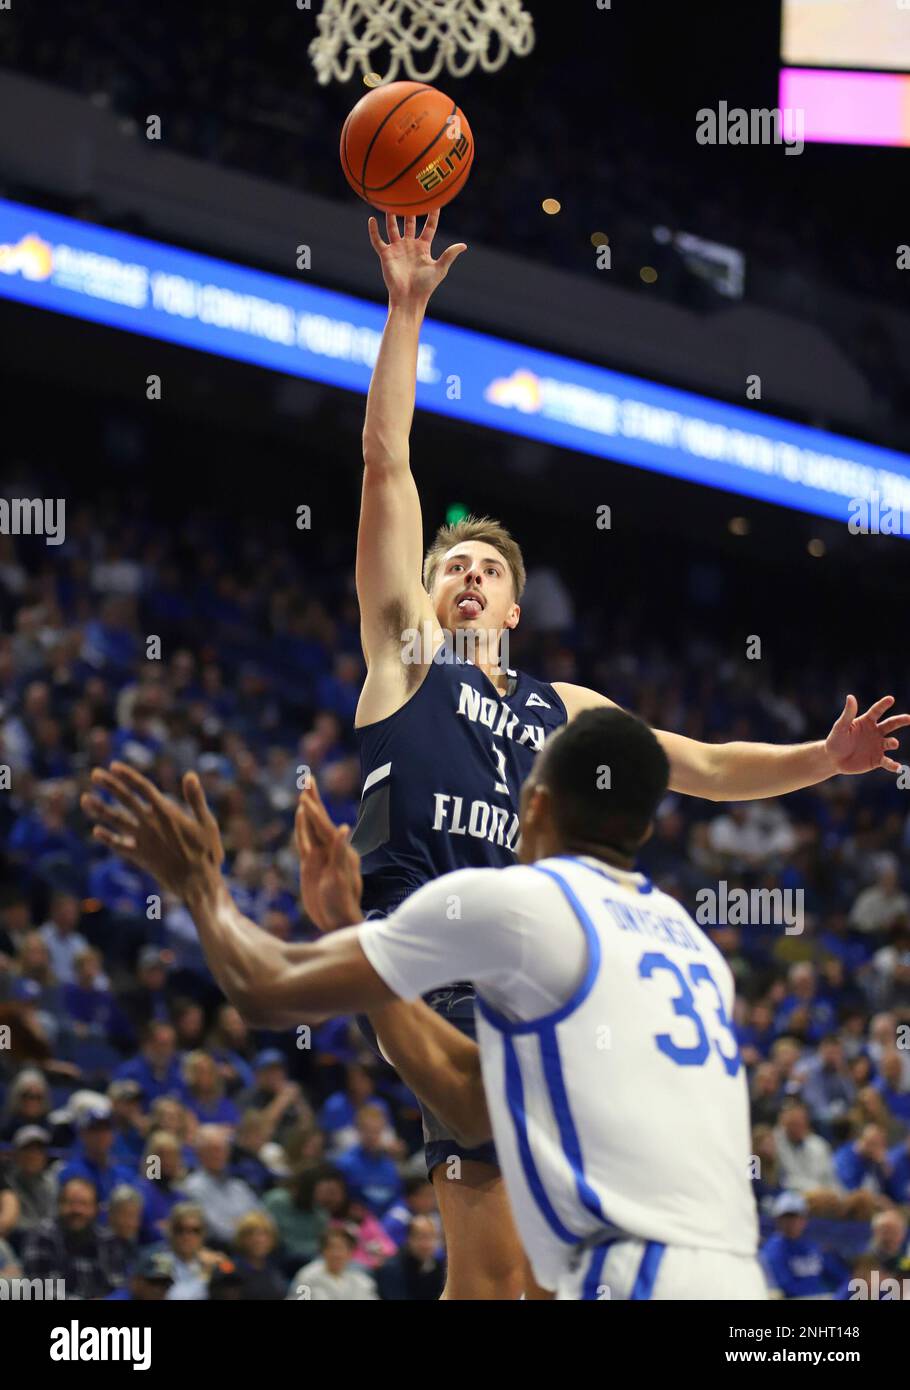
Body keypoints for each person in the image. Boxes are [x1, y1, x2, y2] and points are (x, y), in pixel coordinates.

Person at [339, 205, 910, 1296]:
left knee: (501, 1274)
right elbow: (383, 463)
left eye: (484, 571)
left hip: (542, 974)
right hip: (435, 967)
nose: (461, 576)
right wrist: (405, 309)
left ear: (512, 604)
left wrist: (821, 759)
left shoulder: (567, 707)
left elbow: (700, 764)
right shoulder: (407, 658)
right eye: (448, 562)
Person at [84, 707, 768, 1299]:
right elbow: (474, 1102)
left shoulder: (520, 901)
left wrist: (202, 886)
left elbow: (266, 991)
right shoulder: (696, 946)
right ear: (642, 831)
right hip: (742, 1279)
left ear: (533, 804)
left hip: (628, 1274)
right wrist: (352, 928)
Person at [760, 1192, 842, 1299]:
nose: (792, 1222)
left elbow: (839, 1275)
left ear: (804, 1220)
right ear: (778, 1220)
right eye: (787, 1217)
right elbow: (787, 1288)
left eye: (797, 1216)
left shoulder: (812, 1246)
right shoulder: (772, 1250)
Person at [287, 1225, 378, 1302]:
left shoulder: (362, 1280)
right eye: (331, 1248)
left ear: (350, 1253)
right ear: (323, 1251)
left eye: (341, 1248)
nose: (336, 1254)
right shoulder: (307, 1276)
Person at [376, 1215, 446, 1301]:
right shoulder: (391, 1268)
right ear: (409, 1239)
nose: (426, 1244)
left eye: (430, 1237)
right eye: (420, 1237)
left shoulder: (437, 1266)